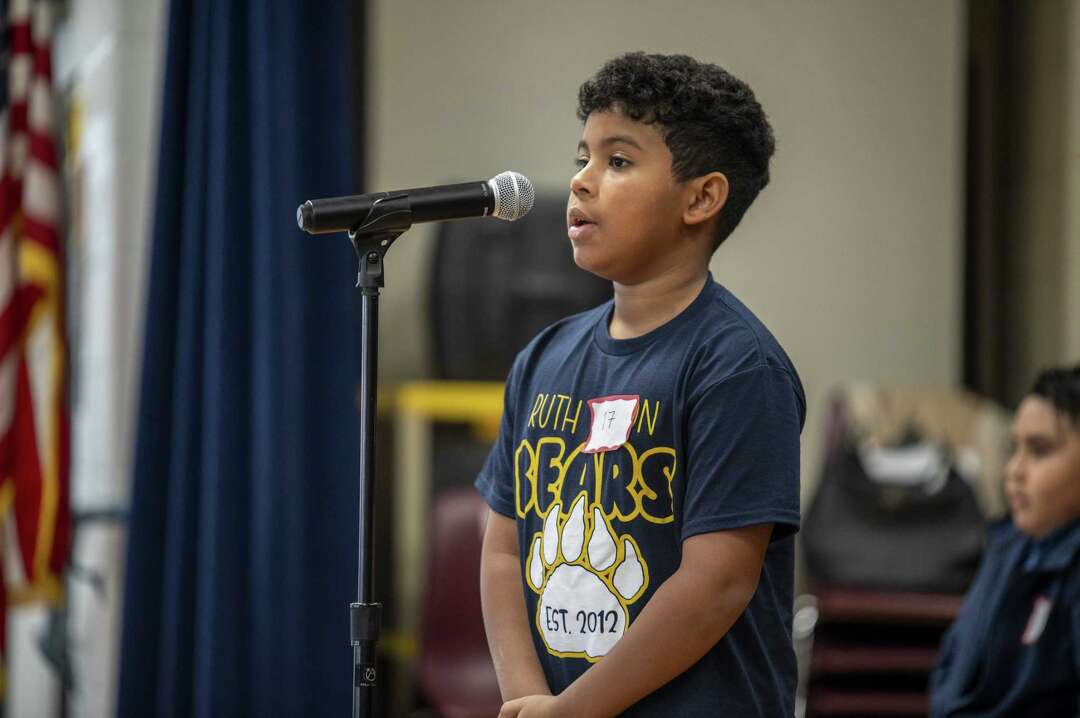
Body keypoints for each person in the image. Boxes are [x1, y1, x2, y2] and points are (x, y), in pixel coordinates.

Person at [475, 52, 805, 717]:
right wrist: (528, 700)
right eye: (583, 157)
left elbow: (715, 585)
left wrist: (573, 711)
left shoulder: (737, 367)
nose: (581, 183)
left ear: (702, 198)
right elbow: (504, 553)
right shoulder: (542, 358)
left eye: (618, 161)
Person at [929, 365, 1080, 716]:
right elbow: (953, 671)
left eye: (1040, 450)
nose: (1015, 470)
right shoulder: (1008, 545)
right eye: (1015, 448)